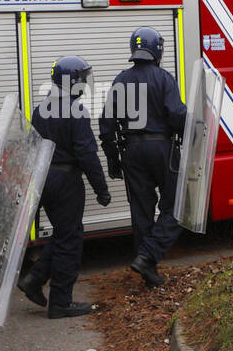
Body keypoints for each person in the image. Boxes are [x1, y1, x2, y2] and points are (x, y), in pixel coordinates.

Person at [17, 56, 111, 318]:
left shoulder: (41, 109)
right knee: (70, 239)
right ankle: (60, 302)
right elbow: (87, 154)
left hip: (43, 179)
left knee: (62, 233)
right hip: (66, 182)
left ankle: (34, 279)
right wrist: (101, 189)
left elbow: (31, 147)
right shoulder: (75, 110)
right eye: (83, 78)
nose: (85, 83)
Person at [99, 27, 187, 288]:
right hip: (162, 148)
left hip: (132, 152)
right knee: (176, 207)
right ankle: (148, 256)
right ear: (157, 50)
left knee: (141, 211)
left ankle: (146, 268)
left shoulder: (120, 79)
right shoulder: (163, 78)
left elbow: (106, 124)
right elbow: (177, 115)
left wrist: (113, 159)